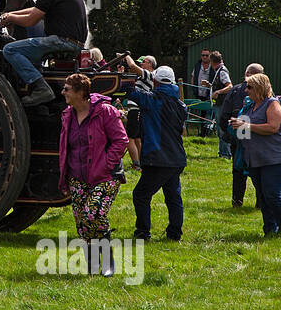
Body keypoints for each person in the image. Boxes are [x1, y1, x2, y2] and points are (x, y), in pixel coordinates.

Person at [57, 72, 129, 275]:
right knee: (82, 222)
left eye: (67, 89)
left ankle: (107, 262)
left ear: (80, 93)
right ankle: (92, 265)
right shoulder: (68, 115)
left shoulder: (105, 111)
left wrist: (106, 165)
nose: (63, 92)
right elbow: (66, 147)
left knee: (93, 213)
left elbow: (121, 141)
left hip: (105, 175)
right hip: (77, 176)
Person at [0, 0, 88, 108]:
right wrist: (9, 14)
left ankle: (40, 88)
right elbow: (34, 11)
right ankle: (35, 92)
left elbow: (30, 21)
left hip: (60, 41)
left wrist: (9, 19)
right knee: (30, 55)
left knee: (10, 49)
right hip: (76, 44)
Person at [126, 65, 188, 241]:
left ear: (155, 81)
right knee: (173, 197)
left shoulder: (151, 100)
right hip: (176, 158)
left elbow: (129, 91)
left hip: (157, 158)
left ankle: (142, 232)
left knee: (141, 195)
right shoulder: (181, 105)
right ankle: (175, 233)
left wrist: (128, 73)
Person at [228, 73, 281, 235]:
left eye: (249, 87)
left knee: (272, 194)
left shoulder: (273, 104)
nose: (246, 90)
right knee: (263, 196)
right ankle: (270, 229)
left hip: (274, 158)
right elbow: (244, 133)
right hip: (255, 159)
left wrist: (247, 125)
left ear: (259, 88)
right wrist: (235, 125)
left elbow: (272, 127)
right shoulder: (249, 107)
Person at [219, 62, 264, 208]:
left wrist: (230, 131)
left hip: (241, 136)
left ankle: (237, 202)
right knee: (259, 170)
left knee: (239, 170)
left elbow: (223, 116)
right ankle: (260, 202)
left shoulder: (236, 90)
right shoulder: (267, 93)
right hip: (257, 137)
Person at [121, 54, 157, 168]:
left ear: (150, 64)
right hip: (138, 110)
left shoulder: (149, 75)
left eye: (144, 62)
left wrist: (125, 55)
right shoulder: (145, 76)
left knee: (129, 138)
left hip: (136, 109)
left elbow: (132, 65)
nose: (141, 64)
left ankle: (136, 163)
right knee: (137, 138)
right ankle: (142, 162)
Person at [207, 52, 233, 157]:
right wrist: (210, 85)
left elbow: (229, 86)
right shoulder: (218, 70)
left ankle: (226, 153)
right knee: (219, 128)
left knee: (222, 128)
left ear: (212, 61)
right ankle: (222, 152)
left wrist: (218, 92)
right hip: (218, 104)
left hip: (222, 104)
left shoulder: (222, 71)